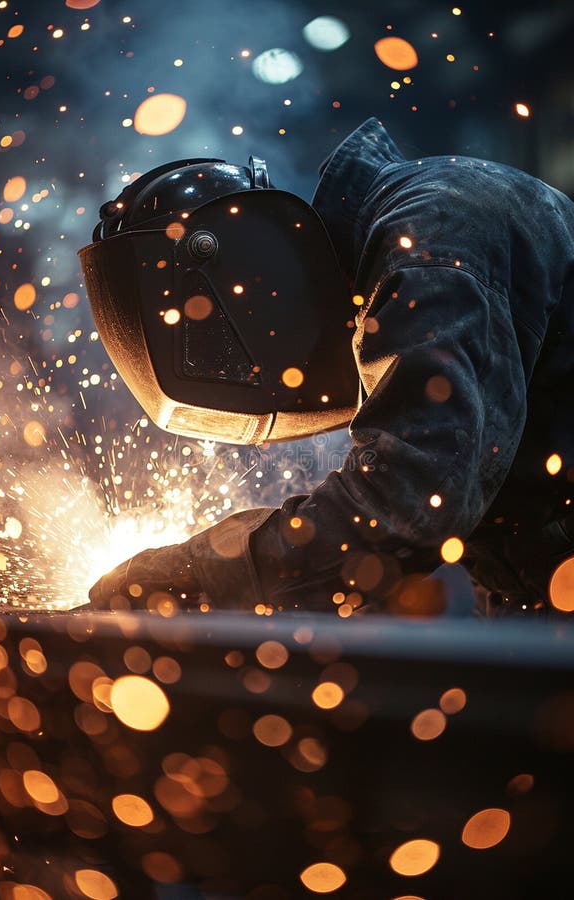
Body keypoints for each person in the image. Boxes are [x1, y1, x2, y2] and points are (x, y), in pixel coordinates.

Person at [79, 117, 574, 616]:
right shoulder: (405, 244)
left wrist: (206, 572)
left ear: (253, 276)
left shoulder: (429, 246)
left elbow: (412, 502)